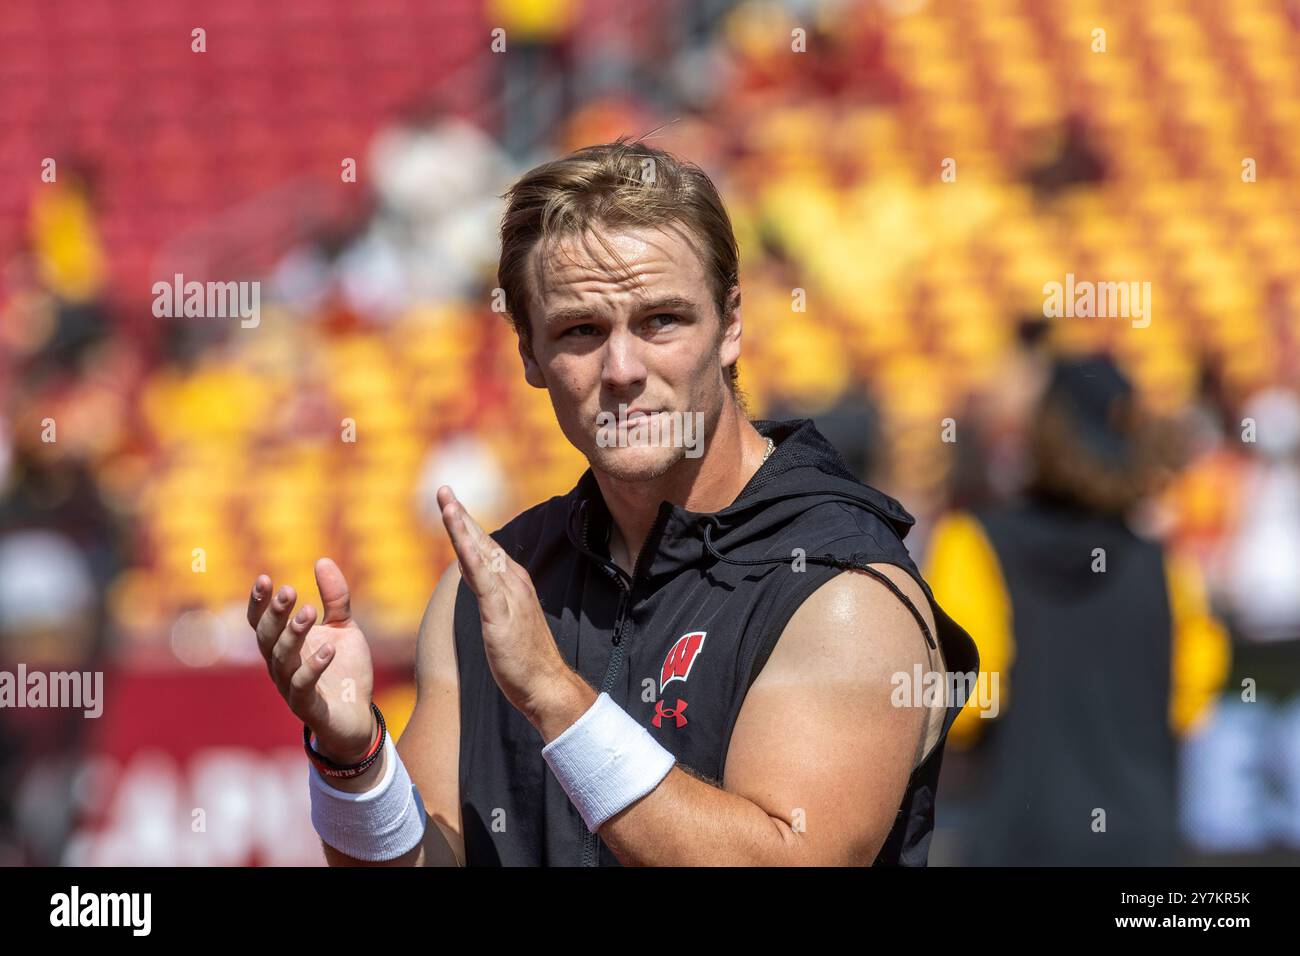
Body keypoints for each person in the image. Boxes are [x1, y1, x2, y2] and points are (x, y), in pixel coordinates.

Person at [247, 138, 978, 866]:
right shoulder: (493, 589)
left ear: (730, 326)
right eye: (580, 331)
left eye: (661, 320)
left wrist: (554, 696)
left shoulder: (840, 590)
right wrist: (354, 759)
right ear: (529, 354)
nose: (622, 369)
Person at [924, 354, 1231, 864]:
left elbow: (964, 707)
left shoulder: (972, 542)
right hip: (1143, 847)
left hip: (1017, 839)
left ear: (1040, 434)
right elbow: (1191, 700)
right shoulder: (1163, 563)